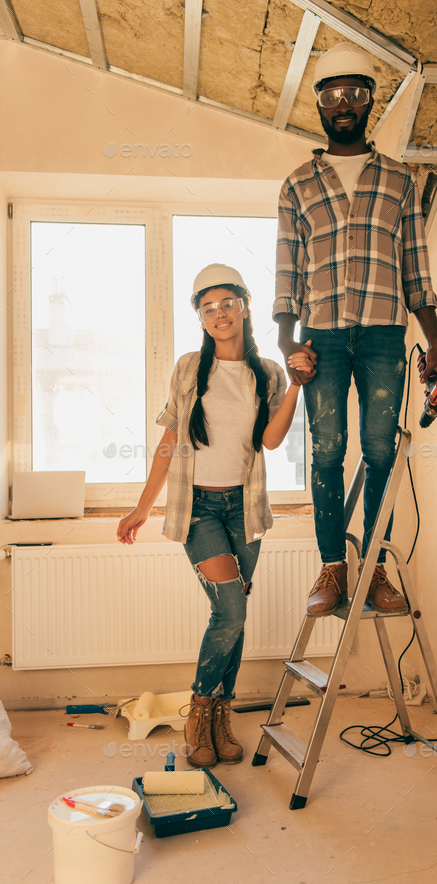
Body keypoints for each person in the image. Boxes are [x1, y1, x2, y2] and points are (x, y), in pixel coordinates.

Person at [273, 43, 437, 618]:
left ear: (370, 101)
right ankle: (332, 567)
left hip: (381, 336)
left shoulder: (399, 181)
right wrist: (284, 338)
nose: (342, 104)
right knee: (326, 452)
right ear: (317, 104)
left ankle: (373, 572)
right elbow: (287, 269)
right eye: (331, 94)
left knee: (379, 452)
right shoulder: (298, 185)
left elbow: (417, 266)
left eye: (354, 93)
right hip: (320, 336)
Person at [117, 264, 312, 768]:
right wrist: (143, 505)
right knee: (231, 608)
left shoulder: (267, 371)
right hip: (198, 508)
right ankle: (199, 711)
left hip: (243, 509)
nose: (219, 313)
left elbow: (270, 440)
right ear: (200, 319)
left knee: (234, 616)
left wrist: (294, 387)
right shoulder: (188, 368)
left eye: (227, 303)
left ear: (245, 307)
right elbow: (170, 439)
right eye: (208, 308)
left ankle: (221, 717)